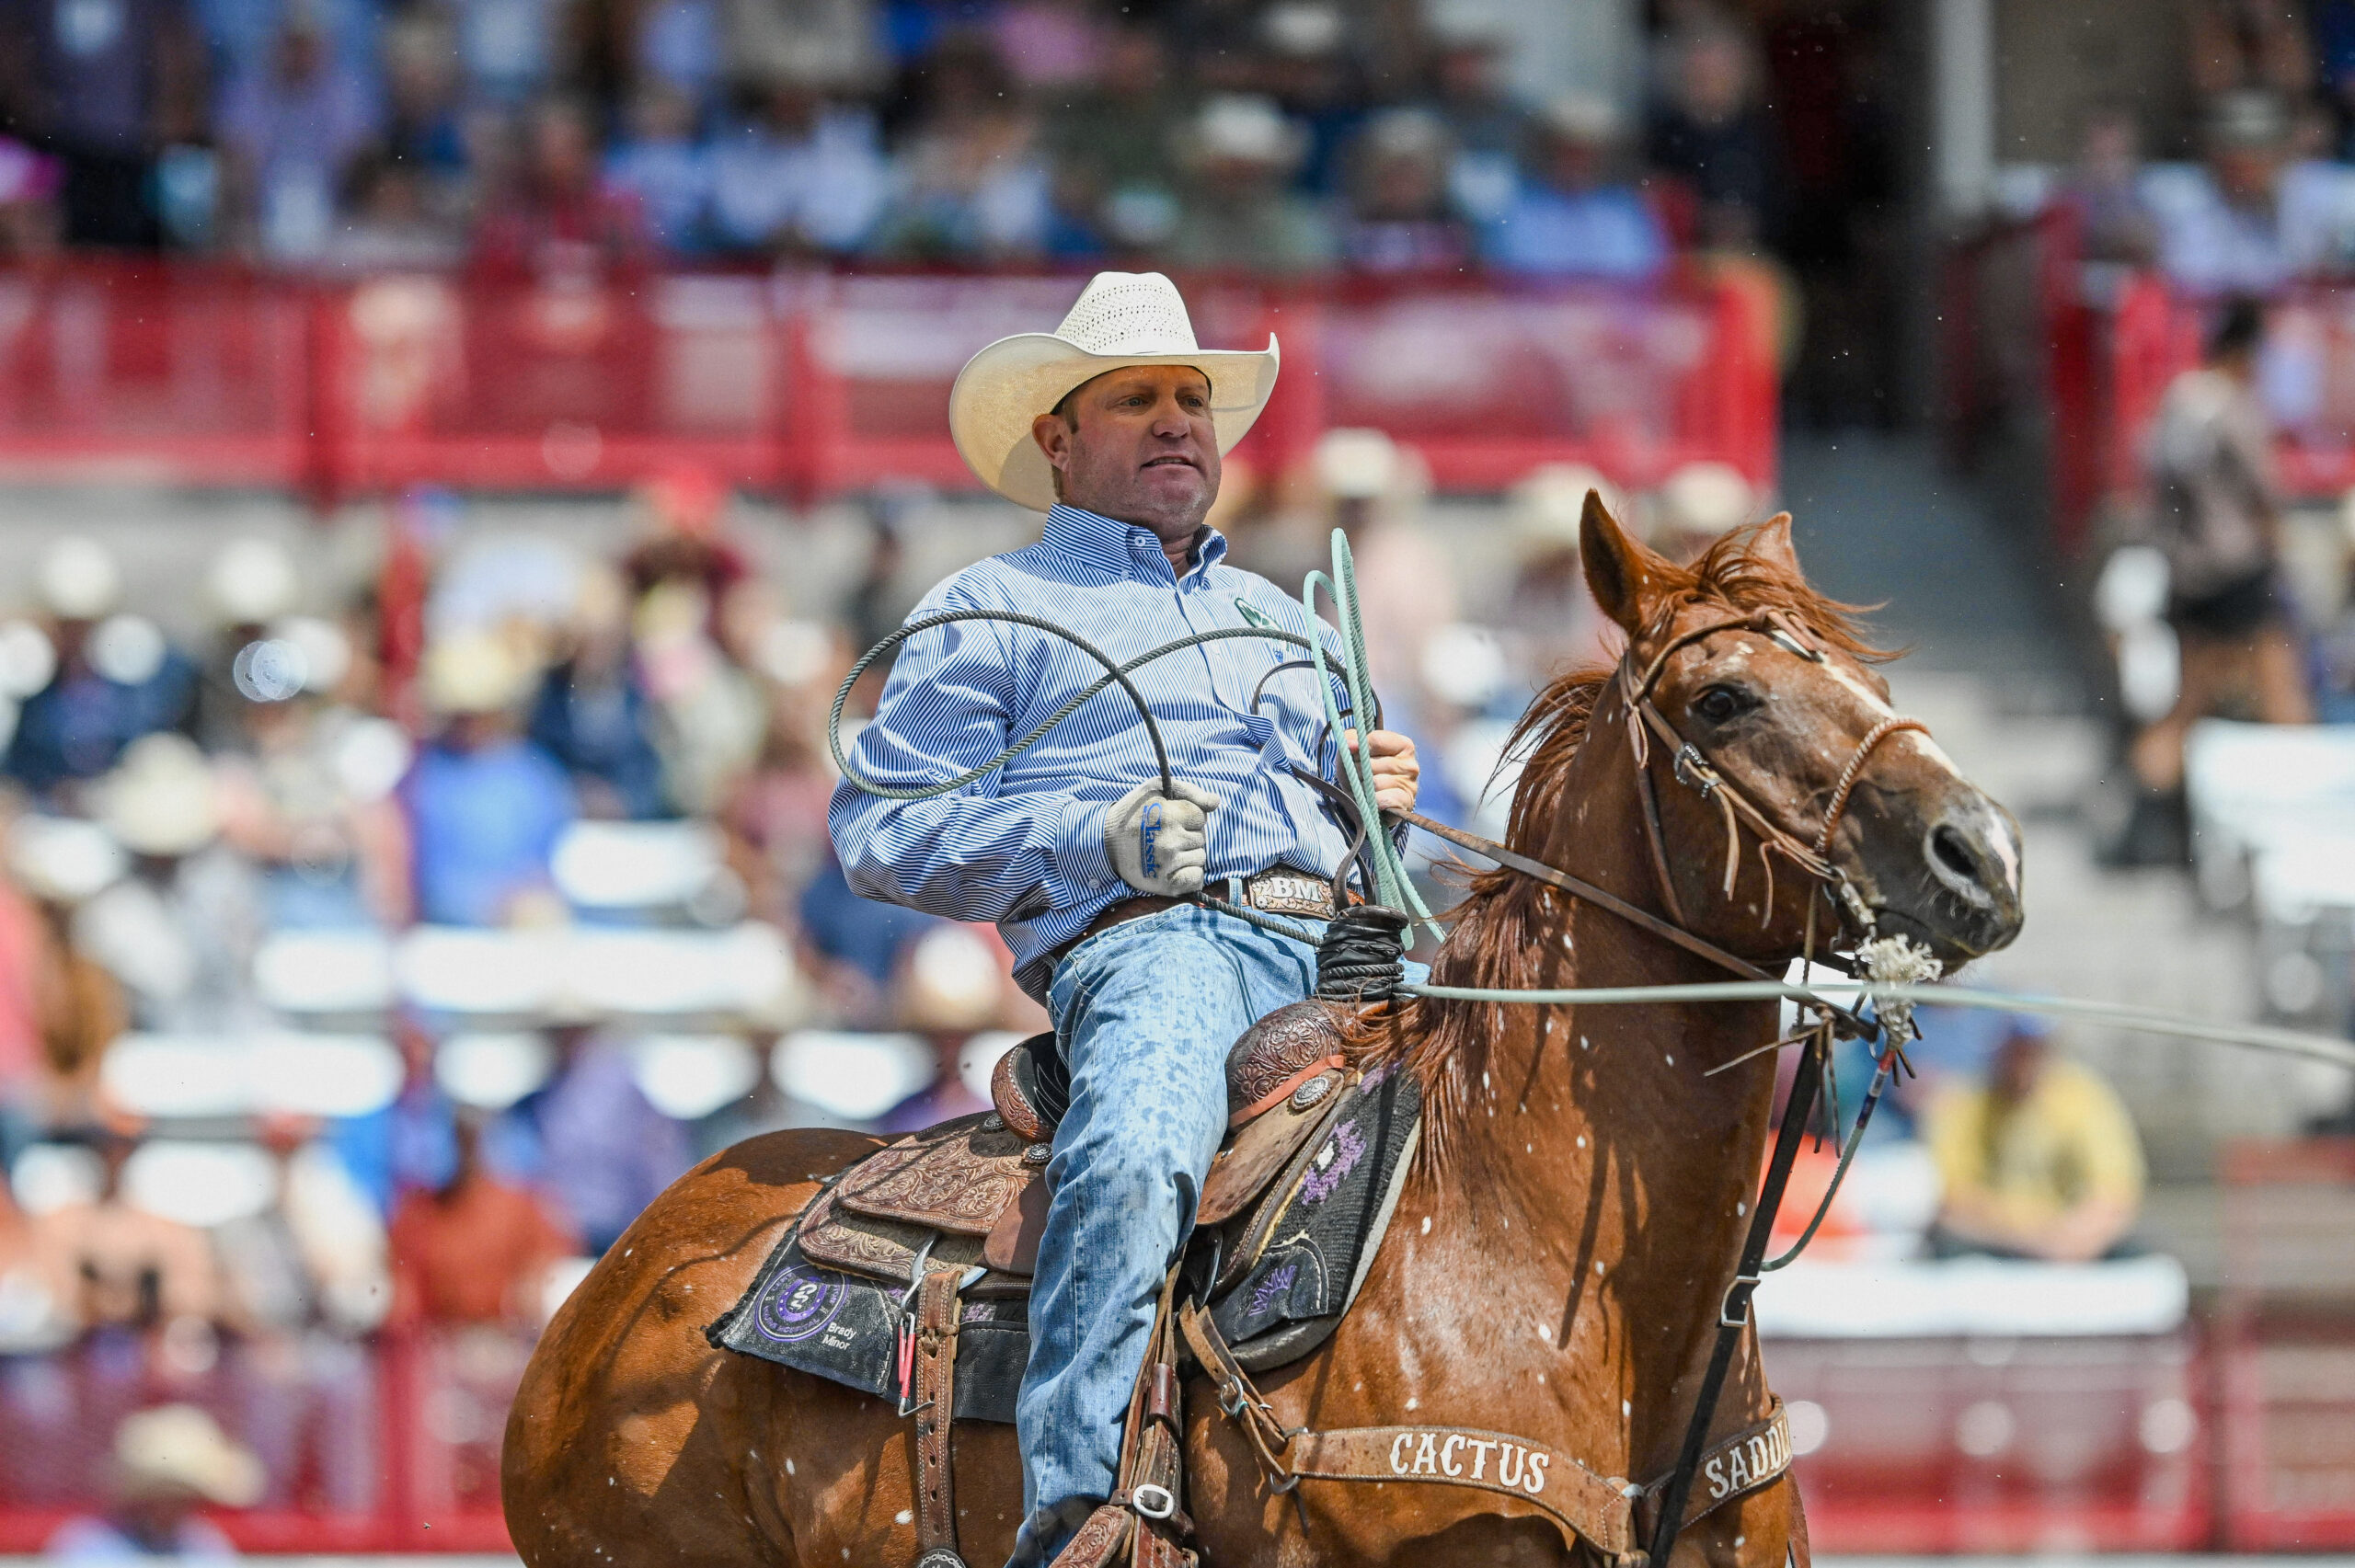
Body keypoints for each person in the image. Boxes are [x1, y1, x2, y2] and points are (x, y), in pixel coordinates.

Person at [829, 269, 1422, 1563]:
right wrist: (1093, 835)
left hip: (1347, 942)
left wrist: (1381, 794)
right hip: (1164, 946)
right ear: (1057, 437)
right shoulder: (991, 610)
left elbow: (1371, 819)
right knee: (1145, 1135)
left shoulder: (1284, 618)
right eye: (1138, 398)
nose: (1176, 423)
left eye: (1192, 399)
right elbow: (878, 832)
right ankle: (1080, 1514)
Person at [2129, 295, 2313, 801]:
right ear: (2244, 350)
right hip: (2239, 571)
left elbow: (2153, 478)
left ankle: (2146, 804)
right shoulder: (2235, 405)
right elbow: (2265, 495)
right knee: (2283, 696)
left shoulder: (2176, 400)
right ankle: (2302, 815)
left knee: (2187, 704)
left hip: (2186, 574)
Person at [1924, 1017, 2146, 1263]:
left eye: (2034, 1052)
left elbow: (2115, 1189)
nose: (2025, 1063)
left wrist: (2074, 1238)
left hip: (2068, 1240)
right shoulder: (1966, 1101)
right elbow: (1951, 1198)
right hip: (1994, 1242)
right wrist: (2031, 1236)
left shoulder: (2082, 1096)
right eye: (2018, 1051)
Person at [399, 633, 575, 926]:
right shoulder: (422, 776)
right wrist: (489, 904)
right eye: (461, 712)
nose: (469, 723)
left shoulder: (534, 776)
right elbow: (418, 875)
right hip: (446, 938)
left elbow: (553, 863)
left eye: (479, 711)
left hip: (526, 935)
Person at [1483, 92, 1668, 281]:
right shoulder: (1516, 208)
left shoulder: (1625, 211)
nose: (1576, 162)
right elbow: (1514, 270)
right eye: (1566, 150)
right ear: (1546, 150)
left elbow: (1644, 272)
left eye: (1586, 152)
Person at [44, 1404, 260, 1562]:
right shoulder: (89, 1545)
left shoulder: (205, 1545)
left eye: (182, 1497)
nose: (173, 1507)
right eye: (166, 1496)